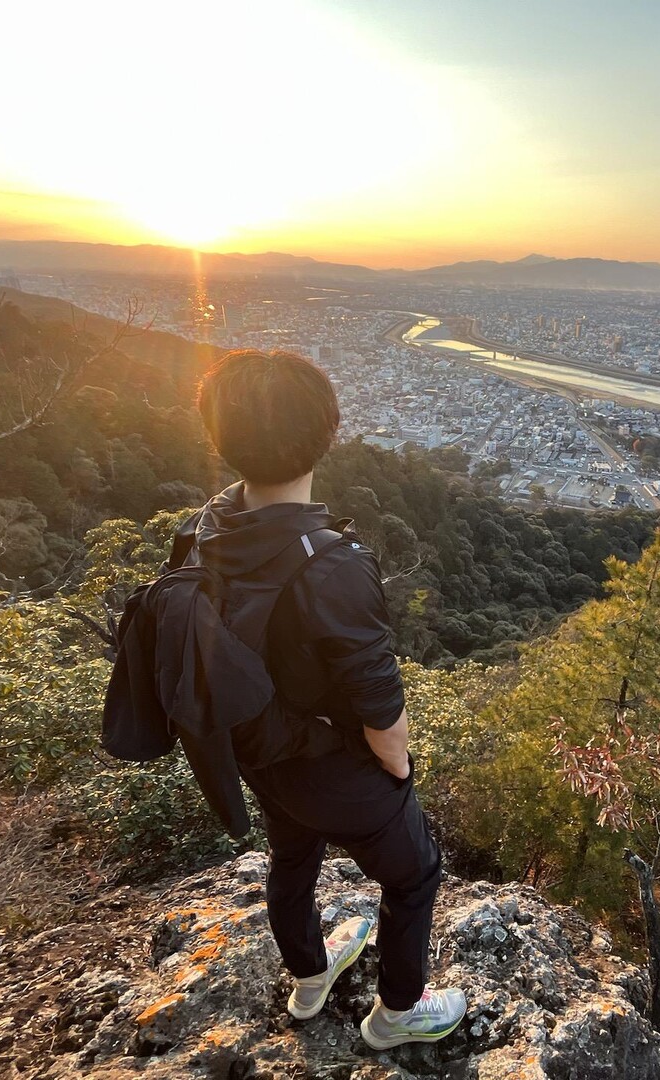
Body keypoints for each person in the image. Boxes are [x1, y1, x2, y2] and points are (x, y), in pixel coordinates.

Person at [192, 349, 466, 1049]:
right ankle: (398, 1014)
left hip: (262, 752)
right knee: (416, 875)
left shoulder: (212, 527)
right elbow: (379, 699)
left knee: (292, 860)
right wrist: (398, 769)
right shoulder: (331, 563)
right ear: (326, 433)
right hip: (337, 767)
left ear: (220, 435)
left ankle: (310, 979)